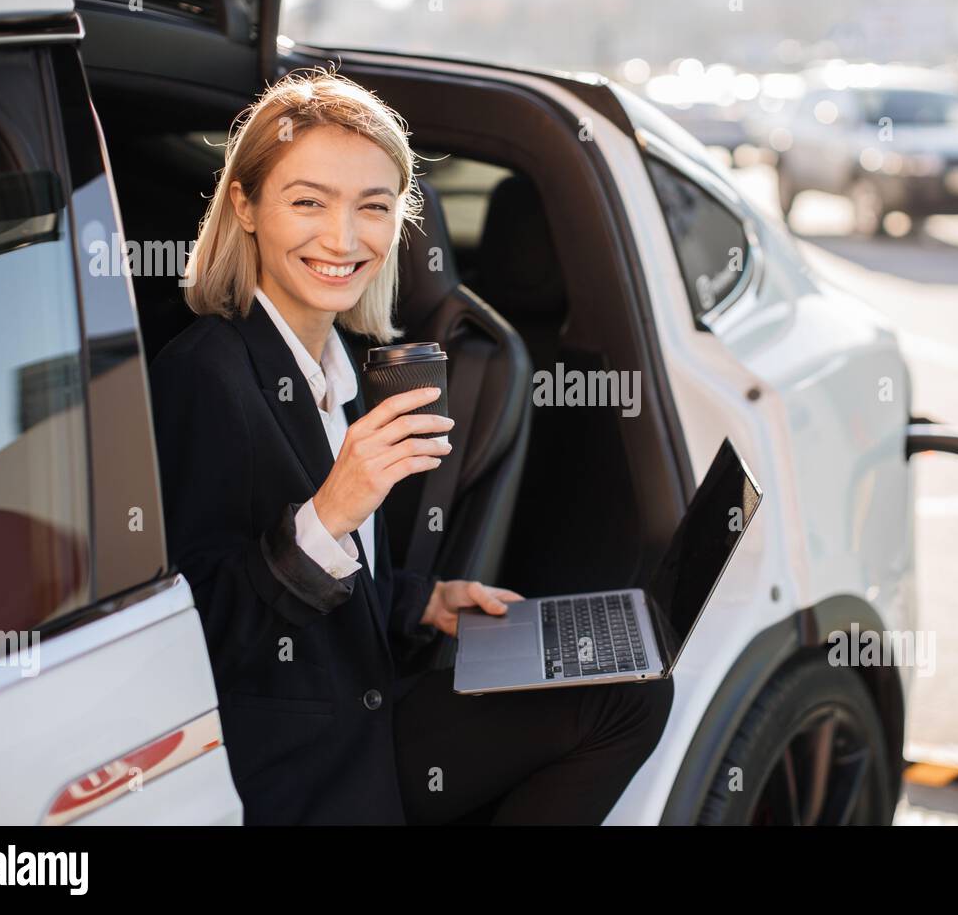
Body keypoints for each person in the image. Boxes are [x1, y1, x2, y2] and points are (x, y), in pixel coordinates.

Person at [149, 68, 674, 824]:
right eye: (308, 202)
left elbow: (341, 580)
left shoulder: (343, 365)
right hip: (289, 768)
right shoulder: (203, 375)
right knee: (621, 706)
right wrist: (327, 515)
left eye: (373, 206)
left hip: (366, 706)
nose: (343, 238)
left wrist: (422, 600)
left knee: (628, 690)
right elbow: (196, 633)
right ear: (246, 205)